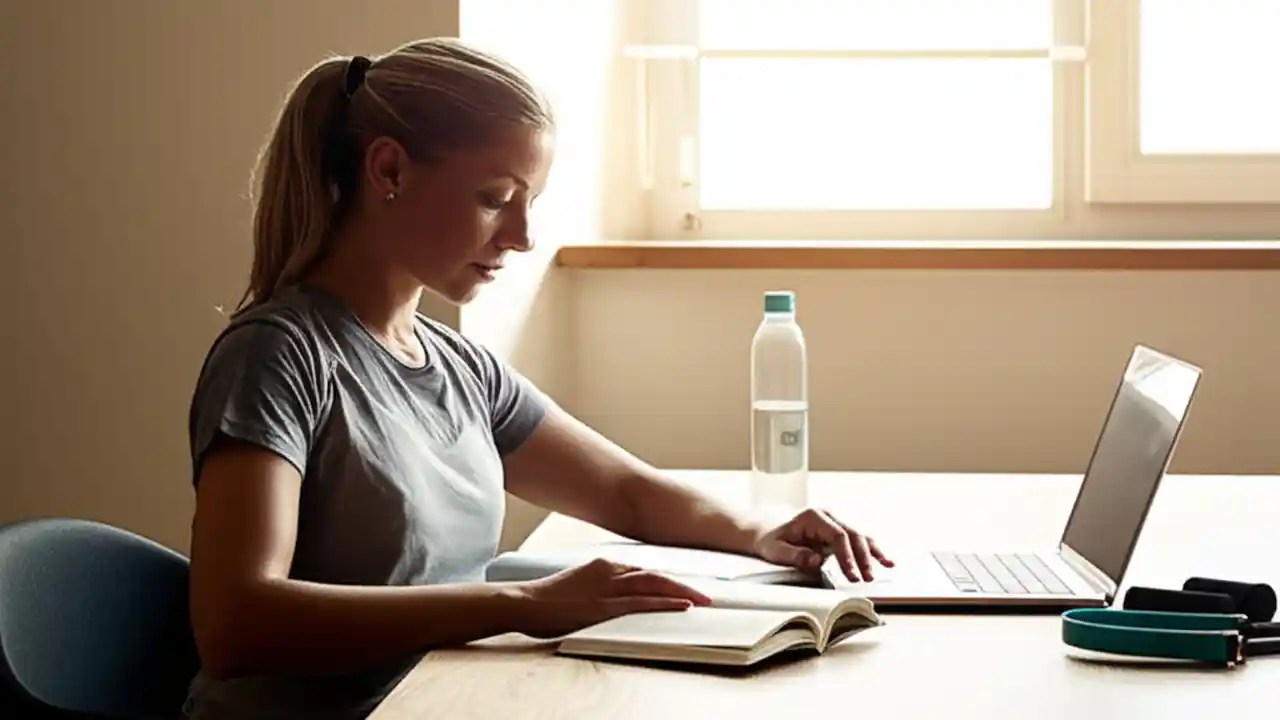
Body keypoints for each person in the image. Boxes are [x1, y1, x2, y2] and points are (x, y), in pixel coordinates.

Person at [184, 37, 893, 719]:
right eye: (496, 198)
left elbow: (624, 492)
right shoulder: (277, 358)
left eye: (530, 203)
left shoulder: (460, 367)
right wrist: (525, 605)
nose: (522, 236)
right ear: (389, 170)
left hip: (442, 701)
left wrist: (764, 532)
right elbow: (236, 621)